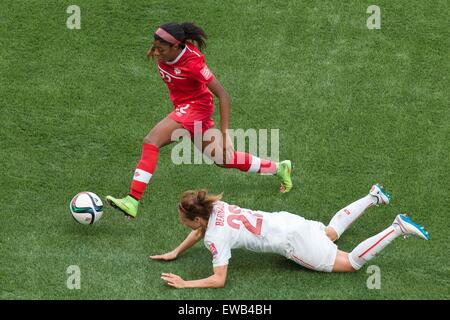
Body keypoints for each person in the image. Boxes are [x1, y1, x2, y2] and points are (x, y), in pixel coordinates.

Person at [106, 22, 293, 220]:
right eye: (155, 47)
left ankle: (132, 200)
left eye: (161, 49)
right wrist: (155, 49)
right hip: (184, 106)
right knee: (223, 159)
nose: (157, 53)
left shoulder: (193, 64)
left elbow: (224, 95)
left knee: (151, 141)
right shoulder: (166, 50)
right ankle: (279, 168)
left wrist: (225, 134)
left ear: (176, 47)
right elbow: (160, 48)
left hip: (196, 107)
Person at [150, 184, 429, 288]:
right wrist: (176, 251)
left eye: (186, 222)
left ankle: (397, 228)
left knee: (351, 263)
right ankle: (373, 197)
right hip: (287, 220)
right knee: (329, 233)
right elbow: (201, 230)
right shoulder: (217, 207)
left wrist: (186, 284)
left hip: (291, 243)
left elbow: (219, 279)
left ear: (198, 218)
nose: (186, 226)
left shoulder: (215, 238)